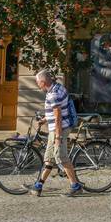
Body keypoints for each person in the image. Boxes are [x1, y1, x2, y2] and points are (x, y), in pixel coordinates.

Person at [32, 68, 83, 198]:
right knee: (49, 157)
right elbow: (57, 112)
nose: (38, 85)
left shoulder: (53, 95)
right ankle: (39, 185)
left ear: (43, 82)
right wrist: (45, 119)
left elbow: (58, 117)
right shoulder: (58, 87)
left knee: (60, 156)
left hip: (59, 128)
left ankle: (75, 186)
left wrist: (58, 137)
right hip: (53, 128)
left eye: (38, 83)